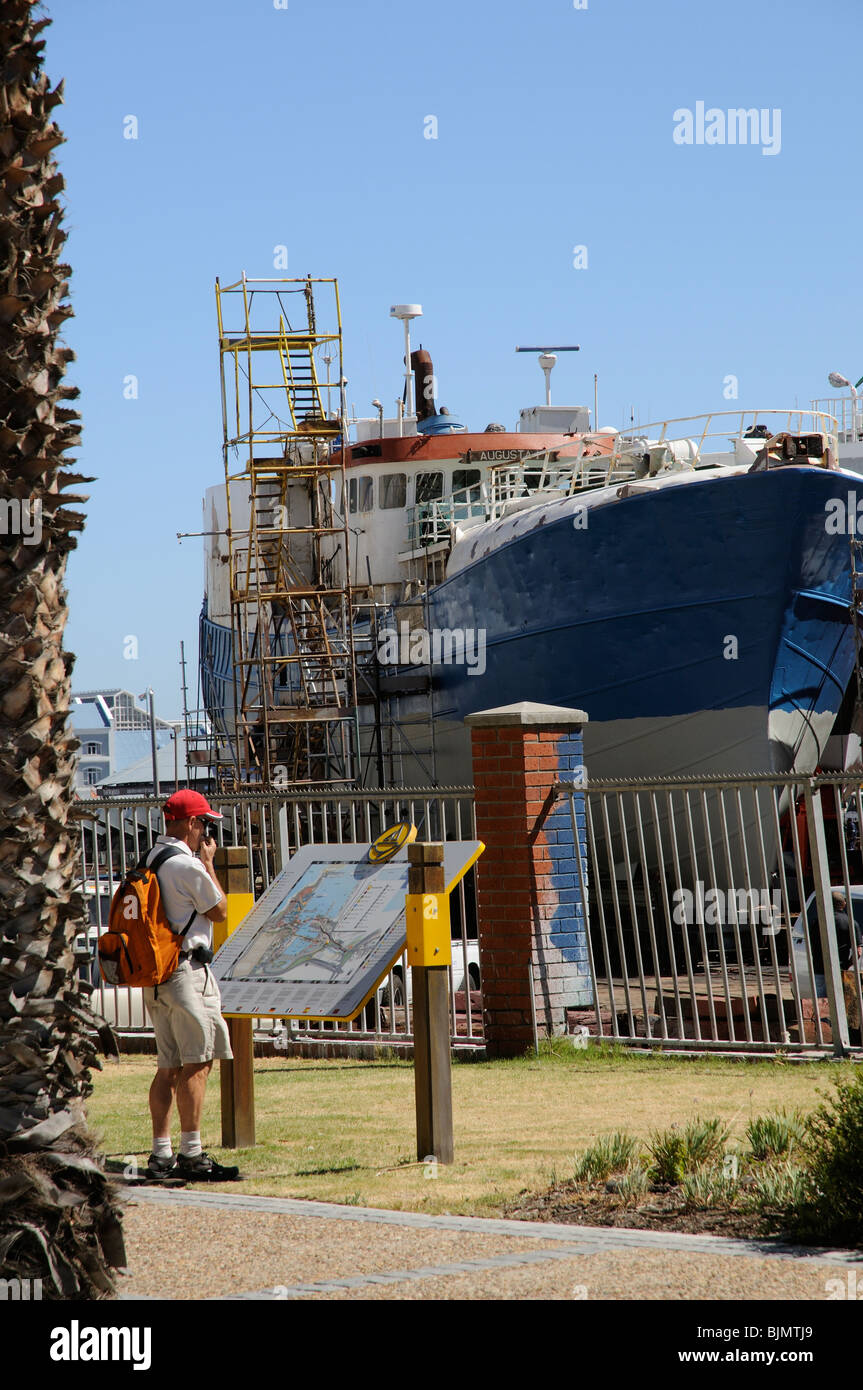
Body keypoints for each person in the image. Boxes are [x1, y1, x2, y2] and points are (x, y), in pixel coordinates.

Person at [142, 788, 240, 1181]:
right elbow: (219, 910)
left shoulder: (151, 857)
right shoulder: (187, 865)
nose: (206, 832)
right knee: (197, 1061)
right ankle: (192, 1153)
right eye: (204, 824)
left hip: (156, 974)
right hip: (186, 973)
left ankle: (160, 1155)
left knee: (167, 1066)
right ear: (192, 823)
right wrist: (209, 863)